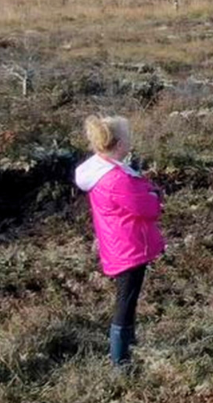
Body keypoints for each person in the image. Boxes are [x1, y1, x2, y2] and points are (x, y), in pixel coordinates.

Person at [73, 115, 167, 368]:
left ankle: (128, 342)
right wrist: (156, 195)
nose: (130, 141)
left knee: (129, 296)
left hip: (119, 242)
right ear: (117, 144)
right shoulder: (116, 179)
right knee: (126, 299)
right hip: (129, 247)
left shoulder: (100, 169)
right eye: (127, 138)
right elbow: (148, 209)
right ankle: (120, 360)